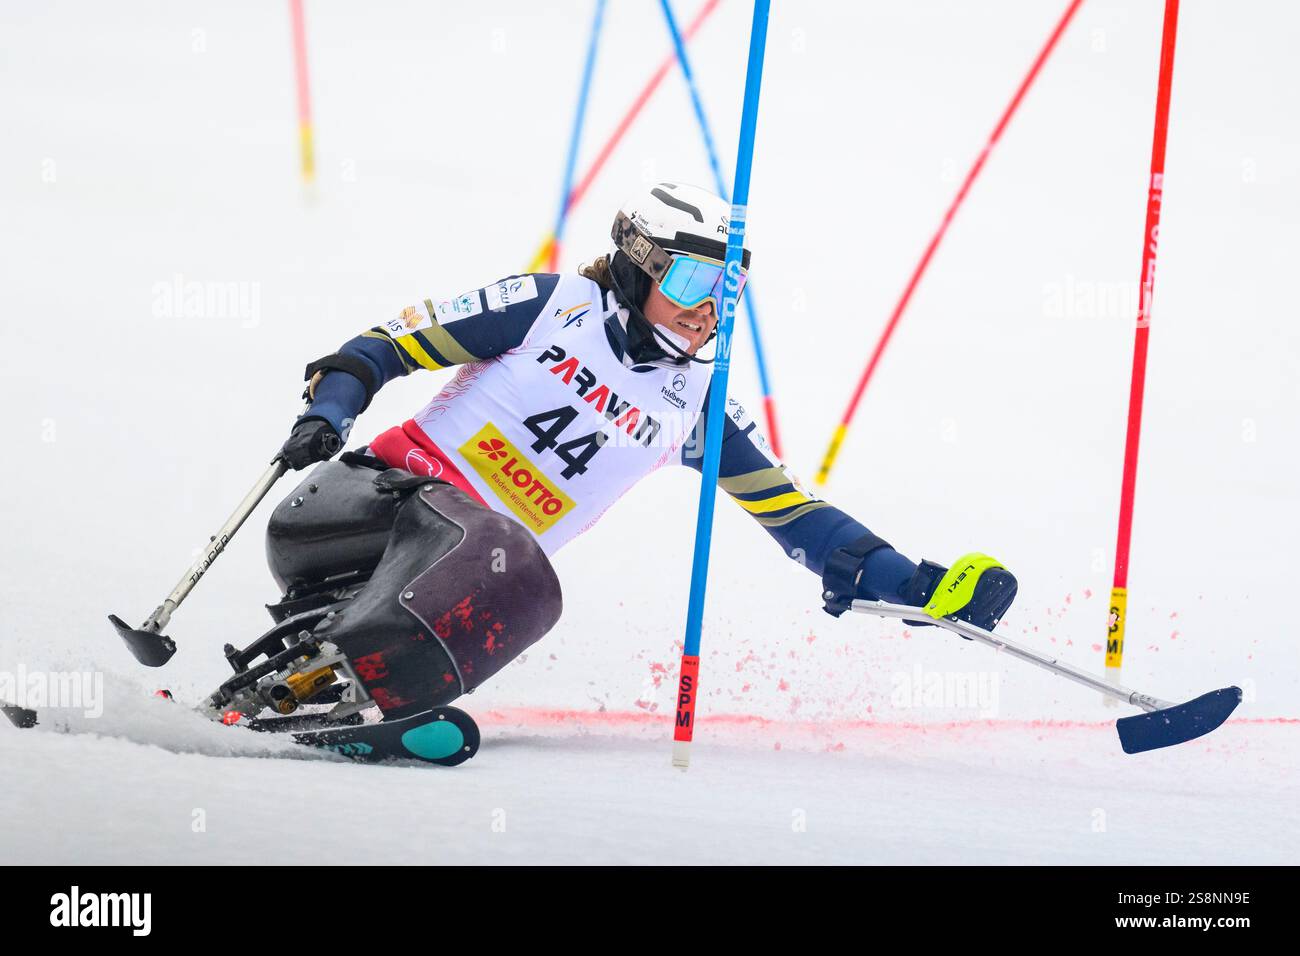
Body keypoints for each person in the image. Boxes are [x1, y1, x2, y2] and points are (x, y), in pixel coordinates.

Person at [270, 182, 1017, 720]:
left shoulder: (692, 405)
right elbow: (384, 346)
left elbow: (796, 517)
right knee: (504, 554)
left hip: (458, 583)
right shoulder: (549, 306)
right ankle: (338, 686)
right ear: (636, 263)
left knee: (526, 584)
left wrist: (915, 586)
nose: (705, 308)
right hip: (358, 515)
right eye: (692, 278)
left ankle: (340, 702)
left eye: (726, 290)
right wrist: (330, 410)